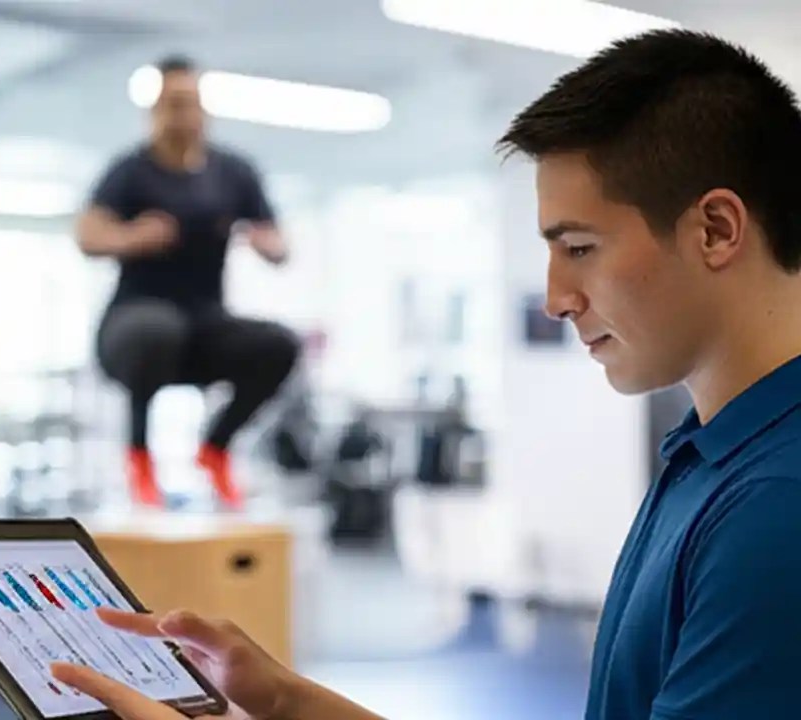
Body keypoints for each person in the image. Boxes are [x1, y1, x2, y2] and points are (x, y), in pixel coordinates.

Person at [52, 29, 801, 720]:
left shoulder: (775, 507)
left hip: (200, 320)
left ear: (715, 230)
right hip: (146, 325)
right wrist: (289, 704)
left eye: (578, 248)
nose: (554, 298)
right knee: (147, 341)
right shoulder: (708, 455)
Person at [77, 54, 300, 510]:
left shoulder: (233, 173)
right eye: (173, 103)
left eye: (191, 103)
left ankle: (215, 449)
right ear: (155, 110)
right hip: (132, 327)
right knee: (158, 329)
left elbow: (278, 243)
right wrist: (134, 237)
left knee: (279, 344)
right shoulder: (130, 170)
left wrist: (264, 242)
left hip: (203, 327)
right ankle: (140, 459)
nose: (184, 114)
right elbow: (87, 235)